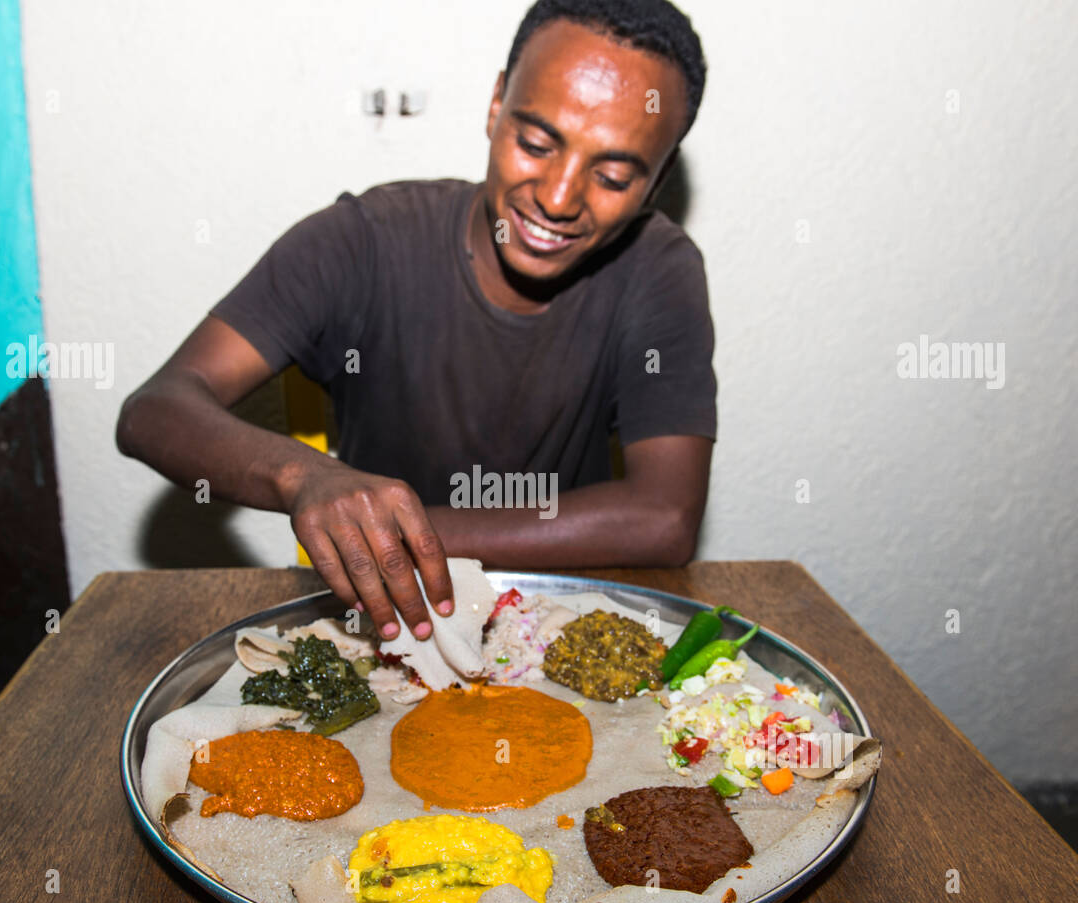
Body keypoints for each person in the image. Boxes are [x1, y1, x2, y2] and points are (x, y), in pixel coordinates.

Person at [117, 0, 715, 645]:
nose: (559, 196)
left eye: (614, 175)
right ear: (495, 105)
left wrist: (394, 531)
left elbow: (665, 517)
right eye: (537, 144)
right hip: (388, 628)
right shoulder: (363, 243)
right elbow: (156, 409)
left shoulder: (659, 270)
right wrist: (305, 477)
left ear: (656, 182)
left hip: (561, 630)